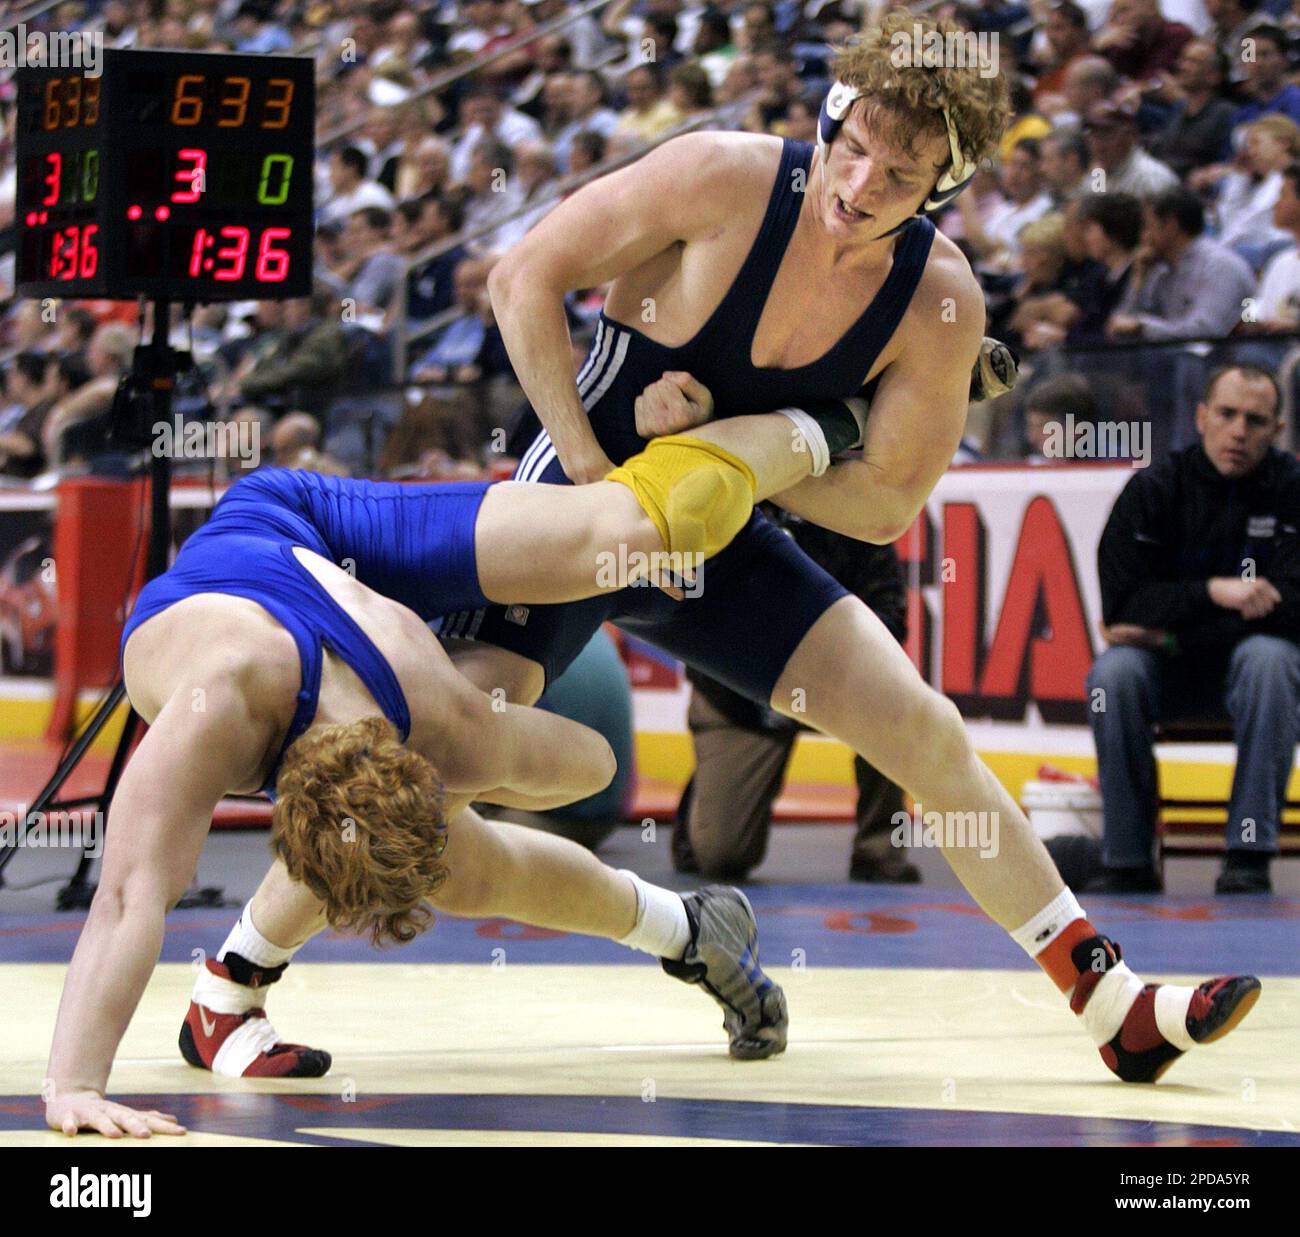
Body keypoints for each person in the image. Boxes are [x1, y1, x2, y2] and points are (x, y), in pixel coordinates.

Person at [211, 13, 1258, 1099]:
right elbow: (520, 276)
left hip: (718, 532)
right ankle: (229, 987)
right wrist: (592, 469)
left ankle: (1114, 1004)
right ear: (834, 110)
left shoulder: (939, 302)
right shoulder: (722, 177)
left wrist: (746, 453)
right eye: (851, 146)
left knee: (922, 729)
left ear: (942, 185)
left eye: (898, 176)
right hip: (579, 508)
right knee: (436, 754)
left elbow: (887, 505)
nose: (857, 184)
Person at [44, 405, 836, 1136]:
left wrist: (476, 763)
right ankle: (691, 928)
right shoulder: (208, 709)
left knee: (606, 540)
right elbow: (123, 897)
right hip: (282, 571)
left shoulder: (442, 722)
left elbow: (595, 766)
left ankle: (814, 425)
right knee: (458, 870)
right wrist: (75, 1083)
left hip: (330, 573)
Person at [1087, 364, 1299, 895]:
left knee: (1271, 659)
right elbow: (1123, 606)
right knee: (1113, 676)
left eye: (1255, 420)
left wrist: (1173, 634)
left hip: (1246, 675)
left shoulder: (1292, 492)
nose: (1238, 431)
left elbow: (1295, 610)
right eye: (1227, 415)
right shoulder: (1154, 489)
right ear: (1202, 417)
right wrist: (1216, 592)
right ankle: (1128, 860)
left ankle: (1248, 855)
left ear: (1277, 430)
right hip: (1165, 673)